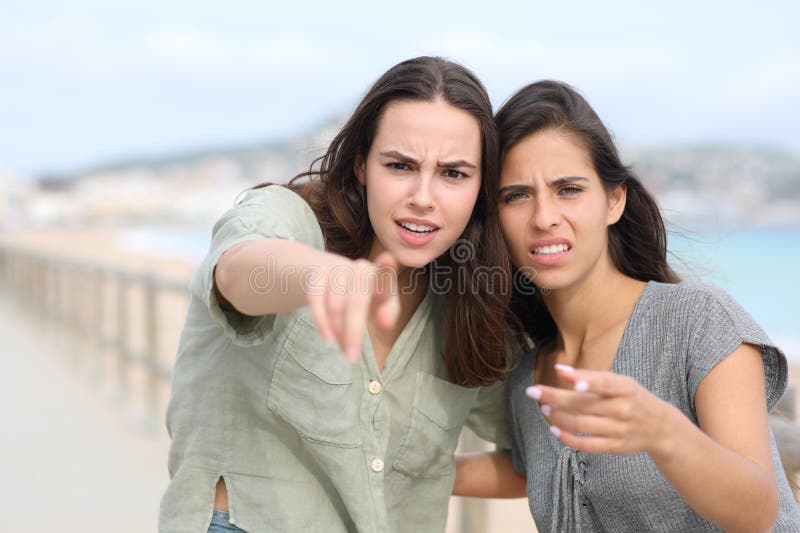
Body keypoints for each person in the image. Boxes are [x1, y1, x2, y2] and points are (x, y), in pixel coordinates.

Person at [159, 56, 521, 533]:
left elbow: (534, 458)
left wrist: (429, 473)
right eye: (400, 165)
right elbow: (237, 272)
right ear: (362, 165)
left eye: (453, 173)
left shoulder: (469, 309)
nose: (423, 196)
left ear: (480, 188)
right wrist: (323, 277)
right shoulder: (287, 221)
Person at [493, 80, 800, 532]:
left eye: (569, 189)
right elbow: (531, 471)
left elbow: (758, 511)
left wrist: (662, 432)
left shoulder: (699, 321)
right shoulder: (529, 377)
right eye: (516, 195)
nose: (543, 217)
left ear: (614, 201)